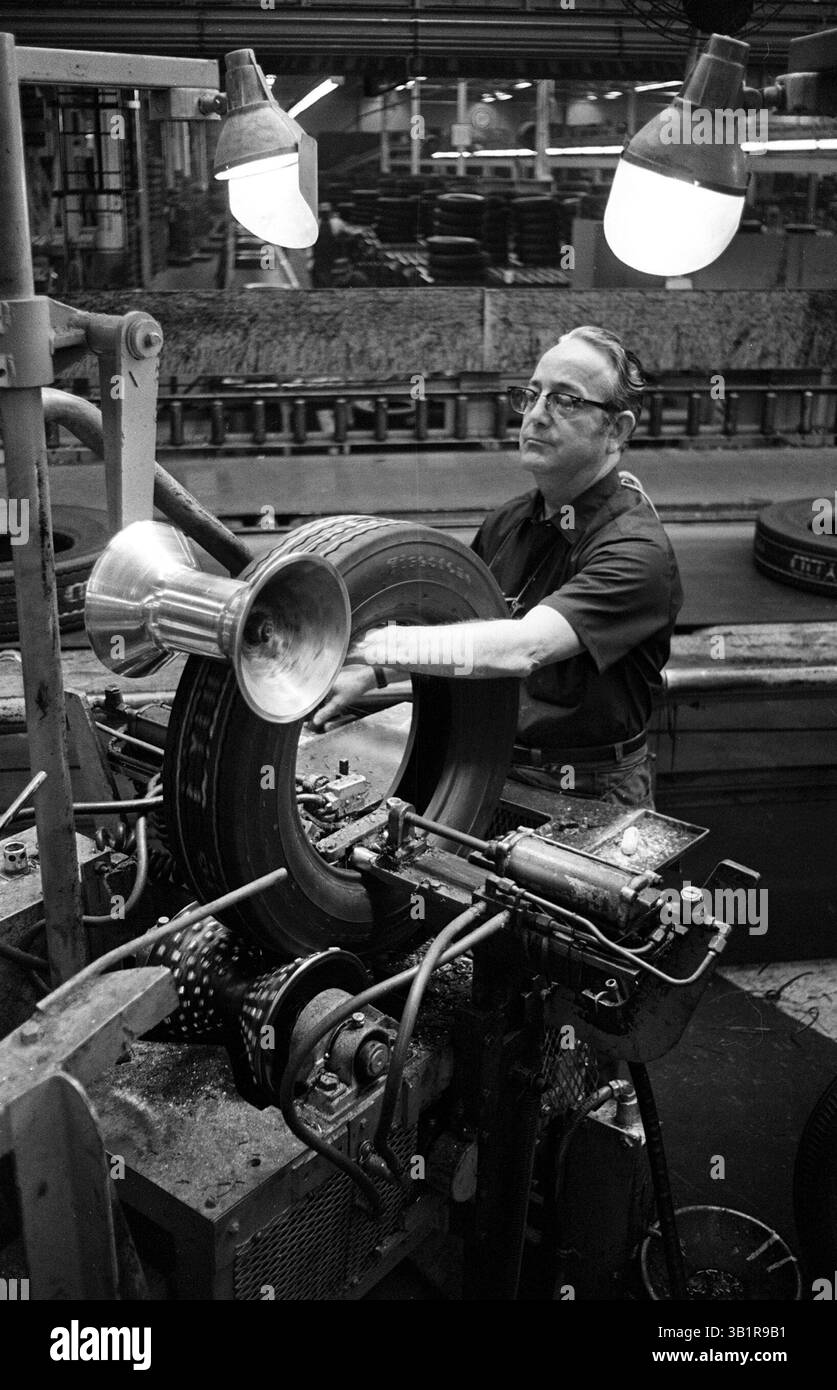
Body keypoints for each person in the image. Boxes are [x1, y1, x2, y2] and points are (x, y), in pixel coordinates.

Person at [311, 325, 683, 808]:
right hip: (486, 757)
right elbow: (457, 627)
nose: (536, 416)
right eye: (532, 395)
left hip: (588, 786)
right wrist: (372, 675)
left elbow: (524, 648)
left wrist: (370, 646)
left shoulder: (636, 551)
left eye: (566, 400)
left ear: (617, 430)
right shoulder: (509, 521)